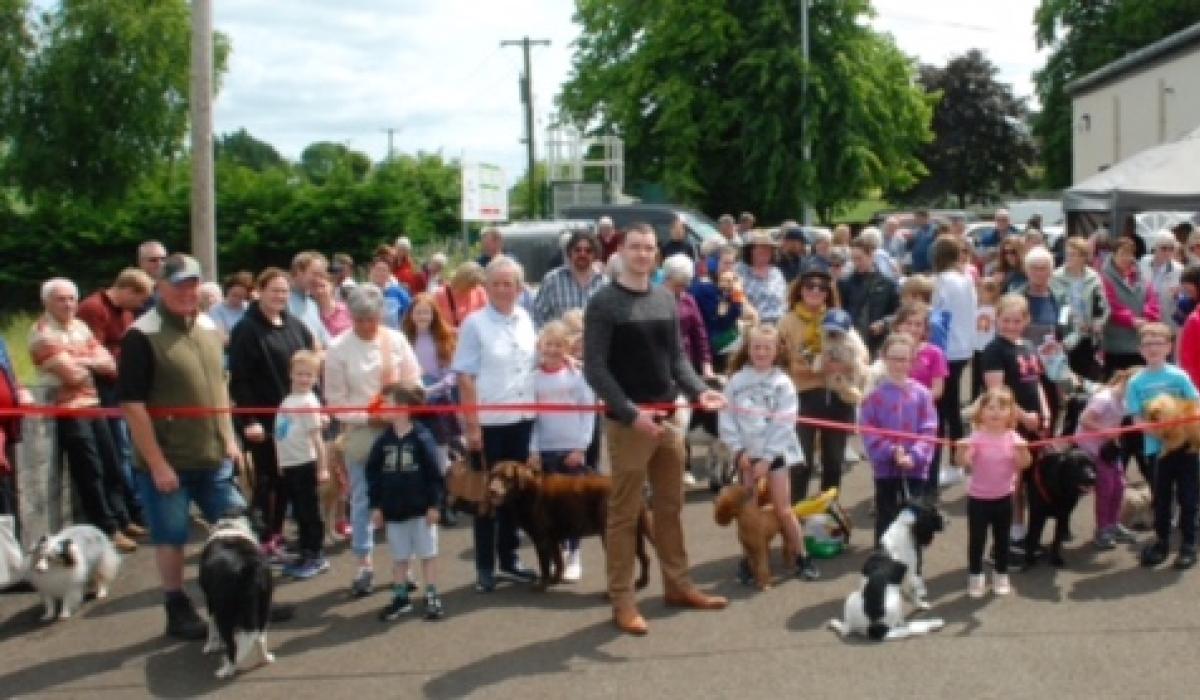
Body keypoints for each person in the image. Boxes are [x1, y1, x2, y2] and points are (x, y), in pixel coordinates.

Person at [583, 222, 728, 636]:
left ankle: (678, 586)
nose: (643, 254)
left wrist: (700, 391)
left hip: (666, 417)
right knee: (624, 514)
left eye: (649, 248)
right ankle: (623, 600)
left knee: (670, 507)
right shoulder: (604, 302)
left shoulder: (665, 297)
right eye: (635, 247)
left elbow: (677, 359)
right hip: (629, 424)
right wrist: (631, 413)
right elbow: (595, 368)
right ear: (621, 251)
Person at [119, 254, 246, 639]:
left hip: (214, 455)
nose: (187, 292)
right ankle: (176, 607)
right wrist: (157, 463)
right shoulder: (141, 335)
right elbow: (132, 406)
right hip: (170, 461)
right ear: (160, 287)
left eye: (193, 284)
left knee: (237, 528)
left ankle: (245, 601)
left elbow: (220, 387)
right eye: (179, 285)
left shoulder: (208, 326)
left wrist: (229, 437)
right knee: (171, 537)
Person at [325, 283, 421, 597]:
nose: (367, 325)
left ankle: (403, 564)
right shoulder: (338, 348)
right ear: (350, 317)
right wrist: (368, 417)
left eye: (372, 319)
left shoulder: (396, 340)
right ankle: (363, 564)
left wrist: (402, 409)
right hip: (363, 432)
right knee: (363, 499)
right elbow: (335, 402)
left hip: (399, 428)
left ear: (382, 314)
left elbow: (414, 381)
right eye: (360, 320)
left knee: (402, 497)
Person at [30, 278, 138, 552]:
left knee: (111, 463)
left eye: (71, 298)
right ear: (46, 302)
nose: (68, 304)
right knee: (90, 470)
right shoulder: (42, 333)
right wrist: (91, 362)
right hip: (68, 408)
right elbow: (73, 376)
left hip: (93, 403)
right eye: (60, 299)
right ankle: (107, 530)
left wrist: (79, 359)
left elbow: (109, 363)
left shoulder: (79, 326)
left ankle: (122, 519)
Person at [452, 255, 540, 593]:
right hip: (489, 424)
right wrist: (472, 427)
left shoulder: (526, 319)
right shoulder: (474, 324)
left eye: (509, 284)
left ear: (519, 288)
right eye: (497, 284)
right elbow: (465, 378)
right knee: (487, 496)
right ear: (486, 287)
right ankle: (485, 566)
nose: (504, 290)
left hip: (522, 419)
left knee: (515, 494)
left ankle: (510, 559)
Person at [227, 268, 316, 561]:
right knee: (269, 481)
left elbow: (311, 365)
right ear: (259, 292)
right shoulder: (246, 329)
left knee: (293, 480)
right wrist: (250, 420)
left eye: (284, 291)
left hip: (297, 420)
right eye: (274, 290)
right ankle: (266, 536)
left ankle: (281, 534)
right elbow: (239, 380)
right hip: (264, 421)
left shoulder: (295, 326)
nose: (280, 296)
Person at [719, 324, 820, 581]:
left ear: (777, 351)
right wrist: (738, 450)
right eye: (756, 347)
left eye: (767, 348)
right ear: (748, 349)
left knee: (783, 509)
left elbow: (785, 422)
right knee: (748, 513)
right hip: (746, 455)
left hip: (775, 456)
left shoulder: (783, 383)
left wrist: (768, 458)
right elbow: (727, 418)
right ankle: (749, 560)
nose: (761, 352)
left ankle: (802, 556)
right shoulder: (735, 382)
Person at [76, 268, 154, 530]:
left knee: (127, 448)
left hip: (121, 384)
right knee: (117, 452)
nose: (141, 305)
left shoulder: (126, 313)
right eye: (140, 298)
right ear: (128, 291)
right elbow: (94, 353)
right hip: (106, 389)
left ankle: (133, 509)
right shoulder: (94, 309)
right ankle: (127, 512)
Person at [367, 383, 445, 621]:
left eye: (387, 403)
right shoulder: (383, 441)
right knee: (399, 556)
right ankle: (401, 598)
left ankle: (432, 594)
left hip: (421, 510)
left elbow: (434, 474)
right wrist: (376, 506)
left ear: (402, 408)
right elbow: (373, 474)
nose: (382, 407)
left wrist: (434, 505)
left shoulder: (422, 437)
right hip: (394, 511)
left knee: (427, 554)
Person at [980, 294, 1051, 554]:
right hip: (1009, 425)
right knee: (1013, 482)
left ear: (1026, 320)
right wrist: (1024, 417)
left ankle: (1024, 534)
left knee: (1032, 479)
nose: (1011, 325)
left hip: (1034, 423)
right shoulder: (994, 350)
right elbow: (997, 391)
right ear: (997, 319)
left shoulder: (1028, 345)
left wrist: (1044, 412)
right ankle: (1011, 536)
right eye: (1006, 320)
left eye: (1016, 320)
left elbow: (1036, 383)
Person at [1127, 322, 1200, 570]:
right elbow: (1136, 419)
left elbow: (1194, 406)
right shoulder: (1136, 382)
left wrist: (1182, 431)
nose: (1153, 348)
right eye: (1147, 344)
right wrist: (1160, 434)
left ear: (1169, 347)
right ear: (1140, 350)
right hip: (1156, 450)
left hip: (1186, 448)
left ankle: (1189, 543)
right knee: (1161, 498)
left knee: (1189, 497)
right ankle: (1161, 542)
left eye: (1158, 343)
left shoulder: (1179, 376)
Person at [529, 320, 596, 582]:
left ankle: (574, 555)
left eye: (559, 345)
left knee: (573, 506)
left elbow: (588, 413)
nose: (553, 350)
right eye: (549, 344)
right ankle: (555, 558)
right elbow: (532, 419)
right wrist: (534, 450)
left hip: (571, 449)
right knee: (549, 508)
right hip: (546, 450)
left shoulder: (577, 376)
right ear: (540, 346)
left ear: (566, 348)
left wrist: (581, 447)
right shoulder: (533, 379)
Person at [955, 387, 1032, 598]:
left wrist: (1023, 449)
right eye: (990, 408)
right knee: (977, 540)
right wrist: (961, 449)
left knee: (1002, 540)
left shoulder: (1013, 437)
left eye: (1001, 408)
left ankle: (1001, 574)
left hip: (1004, 498)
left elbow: (1024, 463)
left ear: (1010, 413)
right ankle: (975, 576)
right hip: (978, 499)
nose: (996, 412)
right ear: (981, 413)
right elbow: (963, 462)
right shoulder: (976, 437)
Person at [861, 333, 938, 543]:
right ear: (884, 358)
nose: (898, 364)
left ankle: (913, 562)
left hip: (915, 469)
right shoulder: (873, 396)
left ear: (912, 361)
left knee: (914, 521)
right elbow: (868, 430)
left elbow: (929, 429)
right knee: (886, 518)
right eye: (894, 358)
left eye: (904, 359)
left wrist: (914, 455)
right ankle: (883, 560)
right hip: (886, 469)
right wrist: (891, 451)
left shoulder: (923, 394)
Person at [402, 292, 460, 525]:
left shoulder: (444, 339)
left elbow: (452, 375)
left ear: (434, 314)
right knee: (414, 456)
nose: (422, 316)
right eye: (418, 312)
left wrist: (431, 390)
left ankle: (443, 505)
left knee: (440, 457)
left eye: (426, 312)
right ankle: (417, 504)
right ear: (411, 315)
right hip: (411, 404)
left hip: (438, 404)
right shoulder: (404, 339)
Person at [274, 349, 330, 580]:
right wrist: (280, 461)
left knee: (309, 512)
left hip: (305, 462)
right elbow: (280, 435)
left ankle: (316, 555)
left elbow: (317, 439)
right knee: (298, 511)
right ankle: (305, 551)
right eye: (300, 373)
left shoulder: (308, 401)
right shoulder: (288, 400)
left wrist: (322, 467)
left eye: (309, 375)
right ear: (290, 374)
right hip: (290, 463)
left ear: (316, 378)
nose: (304, 378)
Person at [930, 235, 976, 486]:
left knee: (944, 410)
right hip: (963, 348)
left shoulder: (942, 282)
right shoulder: (965, 279)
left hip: (946, 349)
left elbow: (937, 315)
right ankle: (956, 462)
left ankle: (955, 463)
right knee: (951, 408)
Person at [1076, 368, 1139, 550]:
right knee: (1106, 488)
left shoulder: (1124, 401)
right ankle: (1102, 529)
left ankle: (1114, 524)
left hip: (1108, 448)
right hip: (1092, 447)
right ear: (1127, 381)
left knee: (1120, 485)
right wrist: (1105, 431)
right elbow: (1084, 420)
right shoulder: (1104, 399)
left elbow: (1117, 421)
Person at [1051, 237, 1108, 381]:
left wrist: (1098, 322)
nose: (1068, 257)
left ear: (1083, 257)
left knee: (1088, 378)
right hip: (1065, 335)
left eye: (1073, 254)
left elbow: (1101, 304)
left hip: (1088, 336)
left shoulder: (1093, 276)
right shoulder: (1056, 277)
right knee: (1066, 379)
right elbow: (1060, 304)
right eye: (1067, 254)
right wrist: (1071, 323)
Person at [1101, 237, 1160, 374]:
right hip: (1116, 344)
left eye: (1129, 253)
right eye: (1122, 253)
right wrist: (1132, 320)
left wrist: (1148, 318)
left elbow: (1152, 299)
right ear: (1113, 254)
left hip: (1141, 342)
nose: (1126, 258)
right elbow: (1111, 305)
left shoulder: (1141, 275)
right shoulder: (1104, 277)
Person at [839, 237, 899, 356]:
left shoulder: (888, 284)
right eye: (853, 259)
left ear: (871, 255)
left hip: (878, 342)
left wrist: (884, 323)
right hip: (852, 341)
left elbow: (899, 313)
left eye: (859, 258)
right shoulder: (845, 283)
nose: (856, 263)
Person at [534, 230, 607, 326]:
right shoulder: (552, 280)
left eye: (588, 250)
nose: (582, 254)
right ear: (569, 252)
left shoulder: (604, 284)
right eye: (577, 250)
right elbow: (537, 314)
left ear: (595, 254)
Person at [0, 338, 35, 517]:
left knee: (6, 489)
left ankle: (8, 532)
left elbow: (9, 371)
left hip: (6, 428)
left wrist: (18, 390)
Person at [737, 231, 787, 324]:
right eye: (761, 248)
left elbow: (785, 299)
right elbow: (735, 295)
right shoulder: (740, 270)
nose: (765, 251)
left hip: (780, 321)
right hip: (753, 322)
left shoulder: (776, 272)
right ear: (751, 250)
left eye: (769, 249)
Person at [288, 251, 332, 349]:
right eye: (315, 274)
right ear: (299, 272)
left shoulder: (312, 304)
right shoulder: (282, 303)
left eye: (321, 275)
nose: (319, 280)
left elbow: (326, 340)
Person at [1140, 230, 1183, 330]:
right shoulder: (1143, 263)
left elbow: (1185, 298)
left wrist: (1178, 295)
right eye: (1164, 248)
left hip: (1167, 323)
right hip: (1145, 321)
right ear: (1155, 248)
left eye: (1171, 248)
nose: (1167, 252)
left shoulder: (1179, 270)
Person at [435, 261, 488, 328]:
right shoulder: (441, 294)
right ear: (461, 281)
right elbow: (435, 321)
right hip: (449, 333)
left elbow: (486, 315)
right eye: (471, 284)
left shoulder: (479, 291)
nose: (474, 287)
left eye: (476, 284)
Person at [207, 270, 253, 343]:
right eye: (234, 295)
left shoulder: (249, 308)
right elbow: (221, 337)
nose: (236, 299)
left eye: (241, 297)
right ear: (227, 290)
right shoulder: (216, 310)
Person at [367, 257, 411, 330]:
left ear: (389, 274)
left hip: (393, 333)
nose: (380, 273)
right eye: (378, 269)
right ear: (371, 271)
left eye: (384, 270)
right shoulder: (363, 292)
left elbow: (410, 311)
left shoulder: (398, 292)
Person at [312, 269, 352, 338]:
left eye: (322, 286)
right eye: (315, 287)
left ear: (331, 286)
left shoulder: (348, 309)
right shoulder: (312, 314)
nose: (319, 291)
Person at [907, 209, 937, 273]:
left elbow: (938, 249)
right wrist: (910, 240)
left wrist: (932, 268)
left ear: (925, 218)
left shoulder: (935, 230)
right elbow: (910, 248)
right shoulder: (917, 231)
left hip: (929, 268)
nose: (915, 220)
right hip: (917, 267)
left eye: (917, 218)